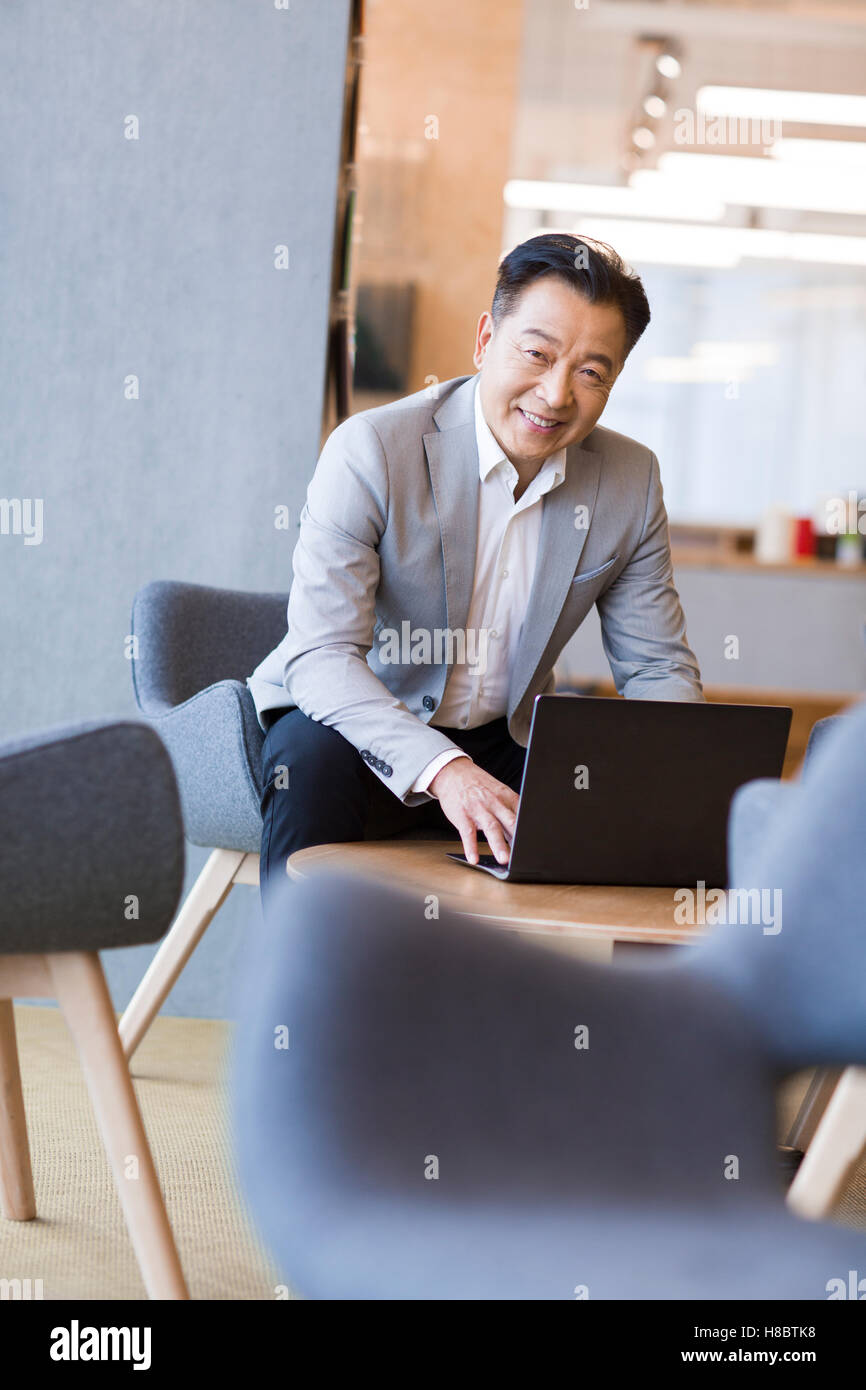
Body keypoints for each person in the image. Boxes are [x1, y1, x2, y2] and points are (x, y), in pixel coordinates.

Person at [247, 233, 703, 897]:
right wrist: (443, 769)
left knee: (636, 810)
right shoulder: (373, 450)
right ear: (486, 339)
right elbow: (320, 658)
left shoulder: (629, 480)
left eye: (590, 372)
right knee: (307, 763)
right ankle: (303, 995)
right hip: (354, 724)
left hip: (503, 738)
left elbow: (656, 666)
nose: (554, 394)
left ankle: (564, 996)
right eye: (537, 354)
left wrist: (676, 772)